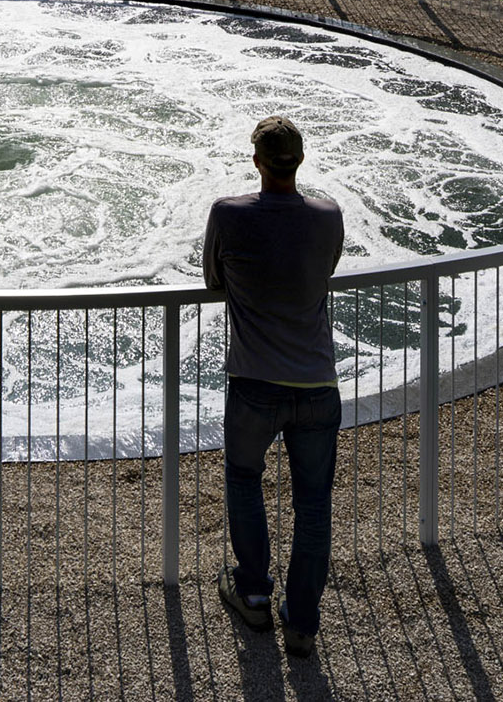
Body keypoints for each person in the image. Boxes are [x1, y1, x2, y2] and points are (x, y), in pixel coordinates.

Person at [203, 116, 345, 659]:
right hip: (316, 384)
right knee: (313, 503)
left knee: (244, 479)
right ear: (300, 161)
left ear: (257, 162)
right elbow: (324, 269)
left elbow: (214, 280)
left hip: (254, 382)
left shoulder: (228, 214)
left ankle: (254, 593)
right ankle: (302, 622)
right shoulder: (328, 215)